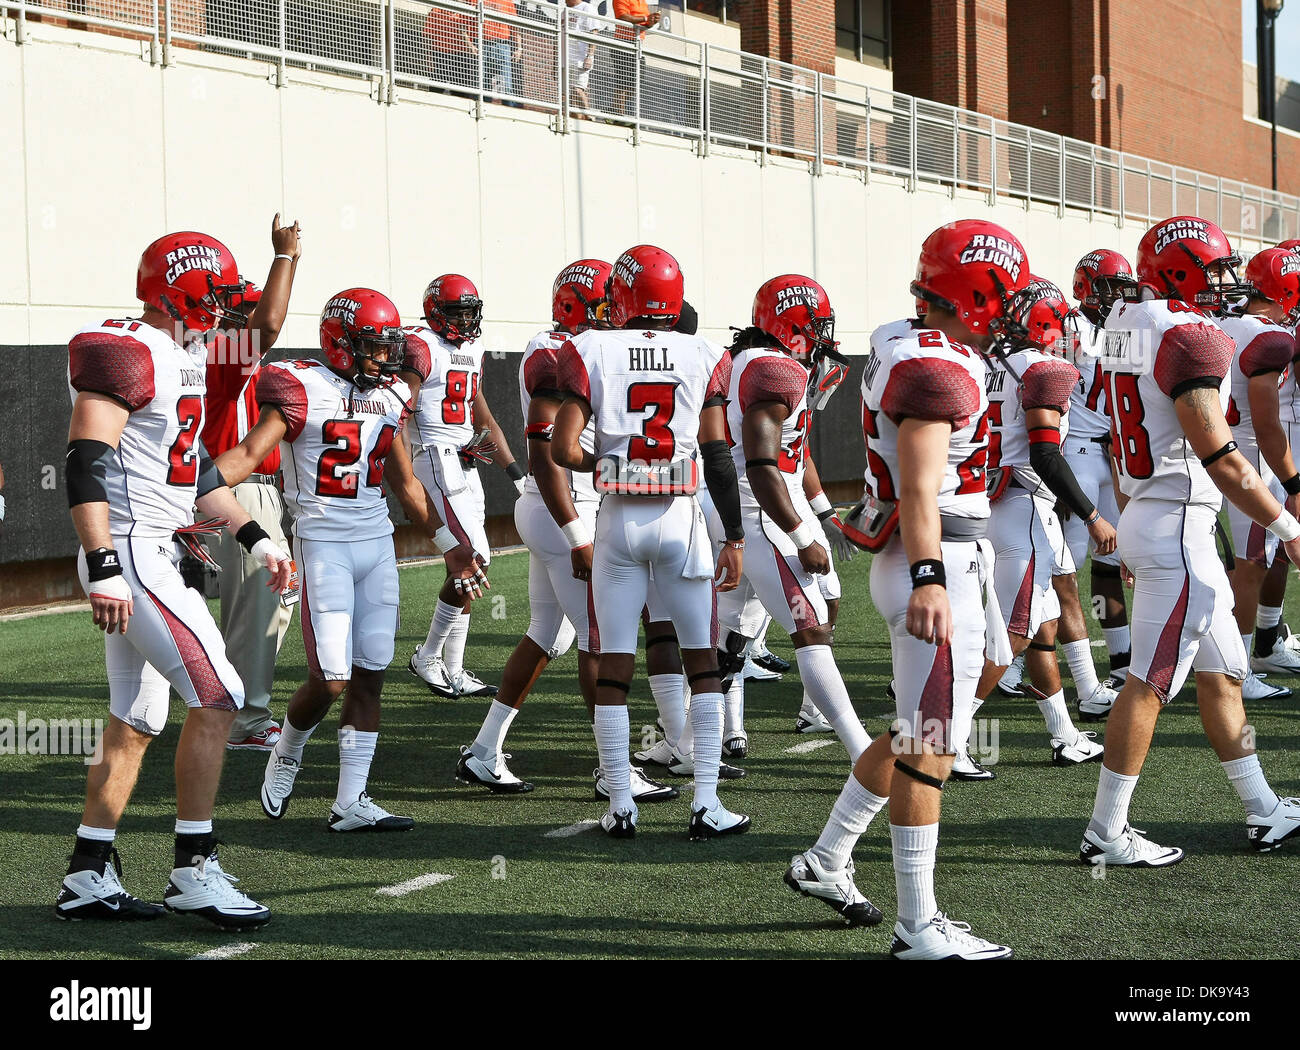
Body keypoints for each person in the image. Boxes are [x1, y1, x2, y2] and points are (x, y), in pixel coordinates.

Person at [791, 219, 1028, 958]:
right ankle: (917, 927)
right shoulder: (937, 369)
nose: (1012, 309)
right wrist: (932, 581)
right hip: (936, 560)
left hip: (948, 554)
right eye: (1004, 294)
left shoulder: (910, 336)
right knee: (930, 749)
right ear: (976, 294)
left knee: (915, 733)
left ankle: (827, 859)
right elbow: (921, 489)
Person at [56, 231, 292, 930]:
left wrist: (253, 536)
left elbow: (186, 481)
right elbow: (84, 462)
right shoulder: (126, 348)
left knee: (137, 720)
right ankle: (194, 868)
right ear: (179, 289)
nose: (224, 310)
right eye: (217, 295)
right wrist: (101, 562)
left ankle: (88, 873)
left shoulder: (185, 356)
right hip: (130, 550)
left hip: (153, 542)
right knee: (218, 696)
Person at [218, 288, 485, 831]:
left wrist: (450, 547)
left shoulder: (389, 398)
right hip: (324, 547)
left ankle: (352, 800)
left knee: (370, 672)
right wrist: (186, 490)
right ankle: (286, 752)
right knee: (331, 678)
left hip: (377, 546)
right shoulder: (302, 387)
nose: (386, 358)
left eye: (389, 347)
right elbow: (248, 455)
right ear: (340, 344)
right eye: (374, 347)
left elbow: (406, 484)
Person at [1080, 216, 1300, 868]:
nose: (1226, 283)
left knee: (1225, 676)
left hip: (1162, 517)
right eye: (1214, 270)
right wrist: (1289, 528)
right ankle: (1106, 830)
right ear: (1179, 272)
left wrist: (1127, 526)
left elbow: (1122, 445)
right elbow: (1225, 459)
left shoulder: (1127, 323)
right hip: (1177, 522)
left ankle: (1263, 810)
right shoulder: (1184, 334)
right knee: (1148, 684)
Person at [455, 258, 676, 804]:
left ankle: (484, 750)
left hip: (555, 510)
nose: (617, 316)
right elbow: (545, 455)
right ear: (579, 306)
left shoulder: (585, 349)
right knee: (600, 640)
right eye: (607, 306)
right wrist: (577, 534)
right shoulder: (557, 353)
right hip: (561, 511)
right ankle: (612, 768)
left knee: (548, 635)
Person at [552, 244, 748, 839]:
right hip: (681, 520)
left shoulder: (590, 347)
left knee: (613, 663)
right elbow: (716, 453)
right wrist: (734, 535)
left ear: (623, 298)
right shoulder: (705, 352)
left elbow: (562, 450)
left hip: (617, 522)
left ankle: (619, 804)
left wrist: (608, 465)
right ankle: (706, 803)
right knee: (703, 664)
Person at [711, 275, 869, 774]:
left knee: (730, 630)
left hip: (731, 511)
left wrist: (822, 515)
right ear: (793, 324)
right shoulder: (775, 371)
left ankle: (716, 732)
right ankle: (859, 747)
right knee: (811, 626)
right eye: (817, 325)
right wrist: (802, 535)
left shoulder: (744, 362)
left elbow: (791, 457)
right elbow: (763, 465)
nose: (825, 336)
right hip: (758, 513)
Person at [975, 276, 1111, 769]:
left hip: (998, 500)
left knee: (1044, 624)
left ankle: (1064, 734)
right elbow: (1046, 454)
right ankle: (944, 736)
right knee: (1012, 632)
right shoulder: (1043, 369)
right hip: (1024, 505)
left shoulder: (991, 363)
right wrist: (1093, 515)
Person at [201, 213, 302, 751]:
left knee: (272, 597)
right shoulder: (219, 354)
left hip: (242, 492)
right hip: (235, 492)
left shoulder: (217, 357)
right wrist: (285, 255)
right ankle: (241, 721)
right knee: (264, 599)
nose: (252, 309)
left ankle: (230, 704)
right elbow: (267, 327)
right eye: (242, 302)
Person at [406, 275, 524, 699]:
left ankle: (449, 665)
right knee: (474, 557)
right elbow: (402, 414)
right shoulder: (420, 345)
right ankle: (431, 658)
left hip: (467, 457)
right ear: (436, 311)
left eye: (472, 310)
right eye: (458, 312)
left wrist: (517, 475)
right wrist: (402, 472)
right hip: (434, 455)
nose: (468, 320)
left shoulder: (473, 347)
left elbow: (483, 413)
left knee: (474, 562)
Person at [1218, 247, 1300, 696]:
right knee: (1250, 565)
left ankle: (1224, 660)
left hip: (1209, 452)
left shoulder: (1222, 321)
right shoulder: (1270, 338)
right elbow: (1268, 427)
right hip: (1248, 458)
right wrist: (1294, 485)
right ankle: (1238, 671)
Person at [1064, 249, 1138, 702]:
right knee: (1064, 569)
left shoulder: (1129, 332)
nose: (1116, 295)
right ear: (1085, 287)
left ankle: (1123, 662)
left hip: (1114, 458)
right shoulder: (1068, 327)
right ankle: (1013, 659)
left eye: (1120, 286)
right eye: (1107, 286)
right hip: (1073, 453)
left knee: (1112, 562)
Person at [610, 0, 658, 117]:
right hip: (623, 43)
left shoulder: (642, 1)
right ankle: (618, 114)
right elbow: (622, 17)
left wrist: (651, 21)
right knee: (623, 82)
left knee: (635, 82)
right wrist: (646, 19)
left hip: (637, 44)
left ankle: (614, 110)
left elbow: (644, 23)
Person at [424, 1, 478, 94]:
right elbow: (428, 36)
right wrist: (428, 57)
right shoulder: (436, 10)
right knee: (436, 89)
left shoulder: (465, 13)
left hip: (460, 56)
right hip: (440, 54)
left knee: (461, 90)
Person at [564, 0, 601, 111]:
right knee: (568, 95)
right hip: (565, 58)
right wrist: (556, 61)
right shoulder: (564, 11)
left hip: (581, 58)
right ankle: (576, 119)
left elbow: (594, 33)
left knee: (578, 89)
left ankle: (589, 116)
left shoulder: (588, 8)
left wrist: (589, 56)